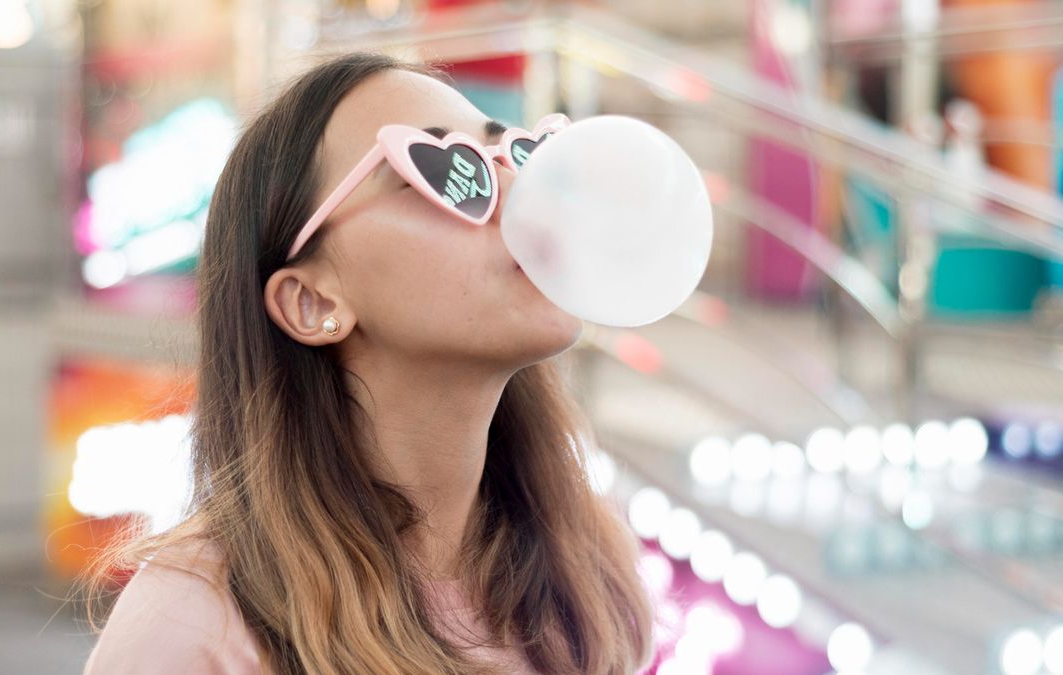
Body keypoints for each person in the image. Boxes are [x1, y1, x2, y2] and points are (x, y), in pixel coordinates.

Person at [83, 50, 654, 675]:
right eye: (448, 172)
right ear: (310, 300)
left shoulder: (586, 566)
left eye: (516, 155)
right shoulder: (194, 625)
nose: (522, 196)